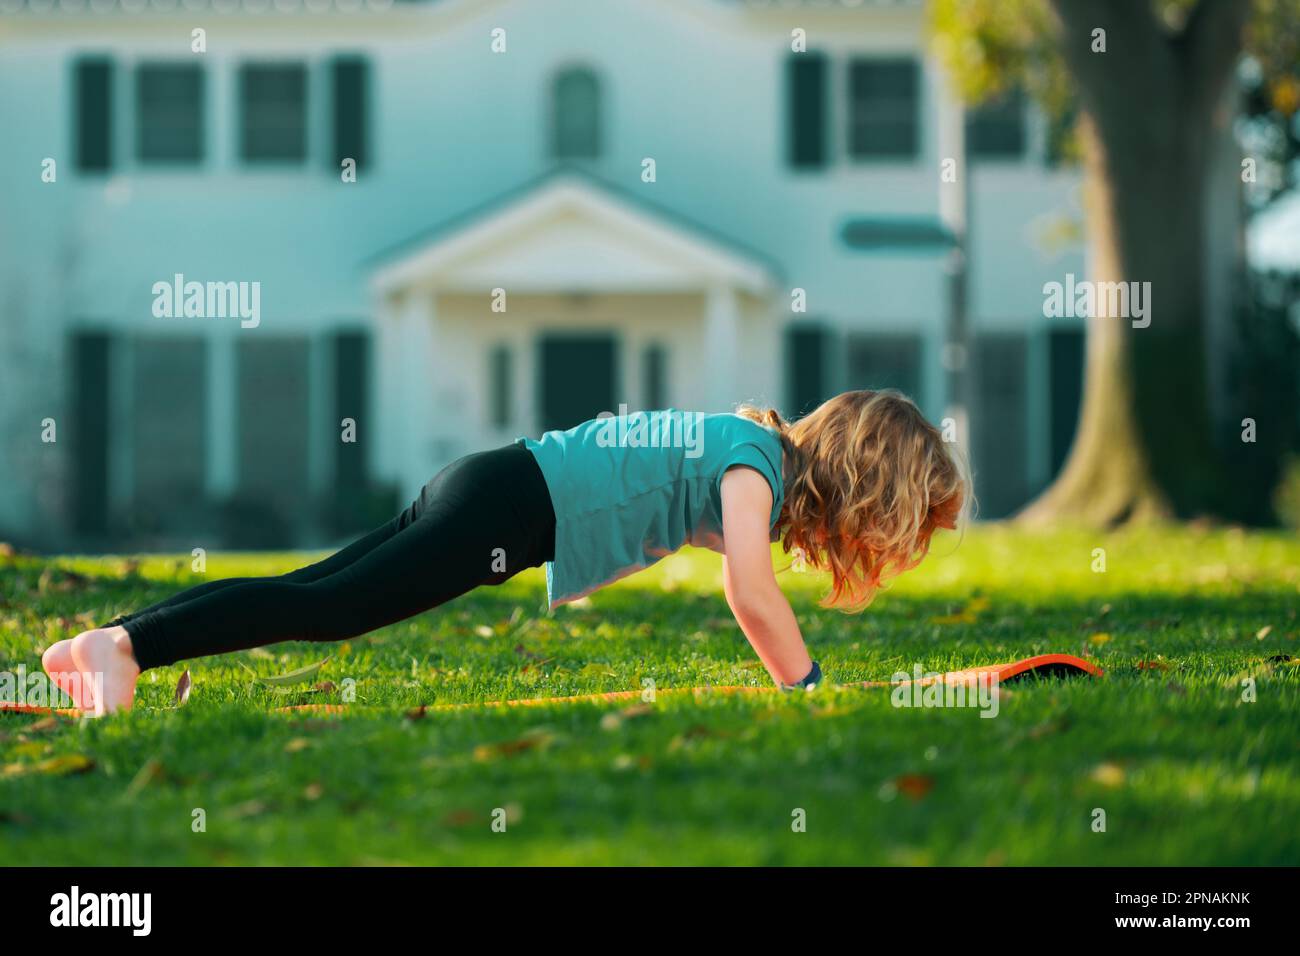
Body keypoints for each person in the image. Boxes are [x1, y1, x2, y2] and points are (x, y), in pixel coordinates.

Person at [42, 389, 968, 716]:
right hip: (506, 508)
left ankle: (107, 642)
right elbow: (752, 596)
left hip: (495, 489)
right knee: (330, 611)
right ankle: (124, 652)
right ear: (861, 481)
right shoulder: (755, 463)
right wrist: (806, 692)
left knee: (313, 588)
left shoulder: (752, 455)